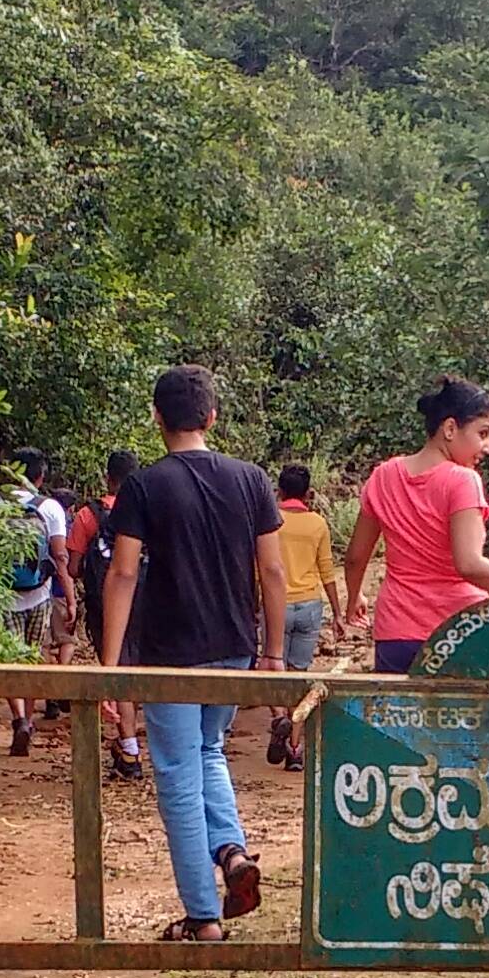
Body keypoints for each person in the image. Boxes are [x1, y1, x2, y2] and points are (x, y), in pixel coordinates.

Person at [98, 365, 288, 941]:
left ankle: (203, 916)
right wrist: (274, 654)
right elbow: (273, 570)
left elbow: (124, 573)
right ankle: (231, 852)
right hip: (234, 646)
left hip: (170, 653)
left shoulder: (144, 486)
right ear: (211, 417)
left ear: (157, 418)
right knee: (208, 752)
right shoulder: (252, 479)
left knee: (179, 775)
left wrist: (109, 669)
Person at [344, 376, 489, 673]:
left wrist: (354, 596)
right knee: (458, 719)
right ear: (449, 428)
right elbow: (468, 564)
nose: (488, 447)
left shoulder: (383, 475)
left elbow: (355, 557)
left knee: (398, 718)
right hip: (459, 631)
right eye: (483, 433)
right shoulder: (463, 481)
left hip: (396, 632)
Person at [67, 449, 145, 780]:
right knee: (144, 669)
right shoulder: (149, 509)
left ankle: (129, 749)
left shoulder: (88, 516)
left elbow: (72, 566)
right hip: (147, 602)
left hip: (104, 607)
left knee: (119, 668)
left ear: (108, 478)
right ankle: (135, 739)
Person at [263, 461, 346, 767]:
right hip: (310, 604)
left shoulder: (270, 521)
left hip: (276, 604)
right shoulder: (318, 524)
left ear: (279, 492)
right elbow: (327, 570)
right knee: (300, 674)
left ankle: (278, 719)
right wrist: (338, 613)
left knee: (273, 668)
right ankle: (295, 751)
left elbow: (259, 567)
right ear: (308, 493)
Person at [0, 452, 70, 756]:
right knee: (32, 656)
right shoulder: (49, 507)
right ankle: (28, 717)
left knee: (9, 660)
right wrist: (70, 596)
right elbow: (61, 557)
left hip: (3, 595)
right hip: (39, 594)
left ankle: (20, 720)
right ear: (40, 477)